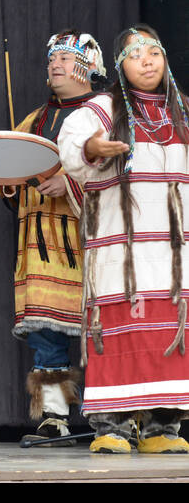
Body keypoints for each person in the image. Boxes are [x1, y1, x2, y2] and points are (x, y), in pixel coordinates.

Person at [58, 24, 189, 453]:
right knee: (118, 334)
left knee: (170, 336)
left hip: (173, 257)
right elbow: (71, 144)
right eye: (135, 54)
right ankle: (110, 428)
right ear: (119, 66)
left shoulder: (183, 111)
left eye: (154, 50)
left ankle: (161, 430)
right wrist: (94, 149)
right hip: (121, 255)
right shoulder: (103, 107)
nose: (147, 59)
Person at [0, 31, 104, 444]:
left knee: (100, 329)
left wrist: (71, 185)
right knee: (46, 335)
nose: (55, 65)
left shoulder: (105, 116)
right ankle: (53, 415)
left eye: (64, 57)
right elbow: (8, 172)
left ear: (86, 65)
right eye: (51, 59)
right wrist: (7, 182)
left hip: (91, 242)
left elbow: (122, 173)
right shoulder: (34, 121)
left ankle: (111, 414)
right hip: (39, 245)